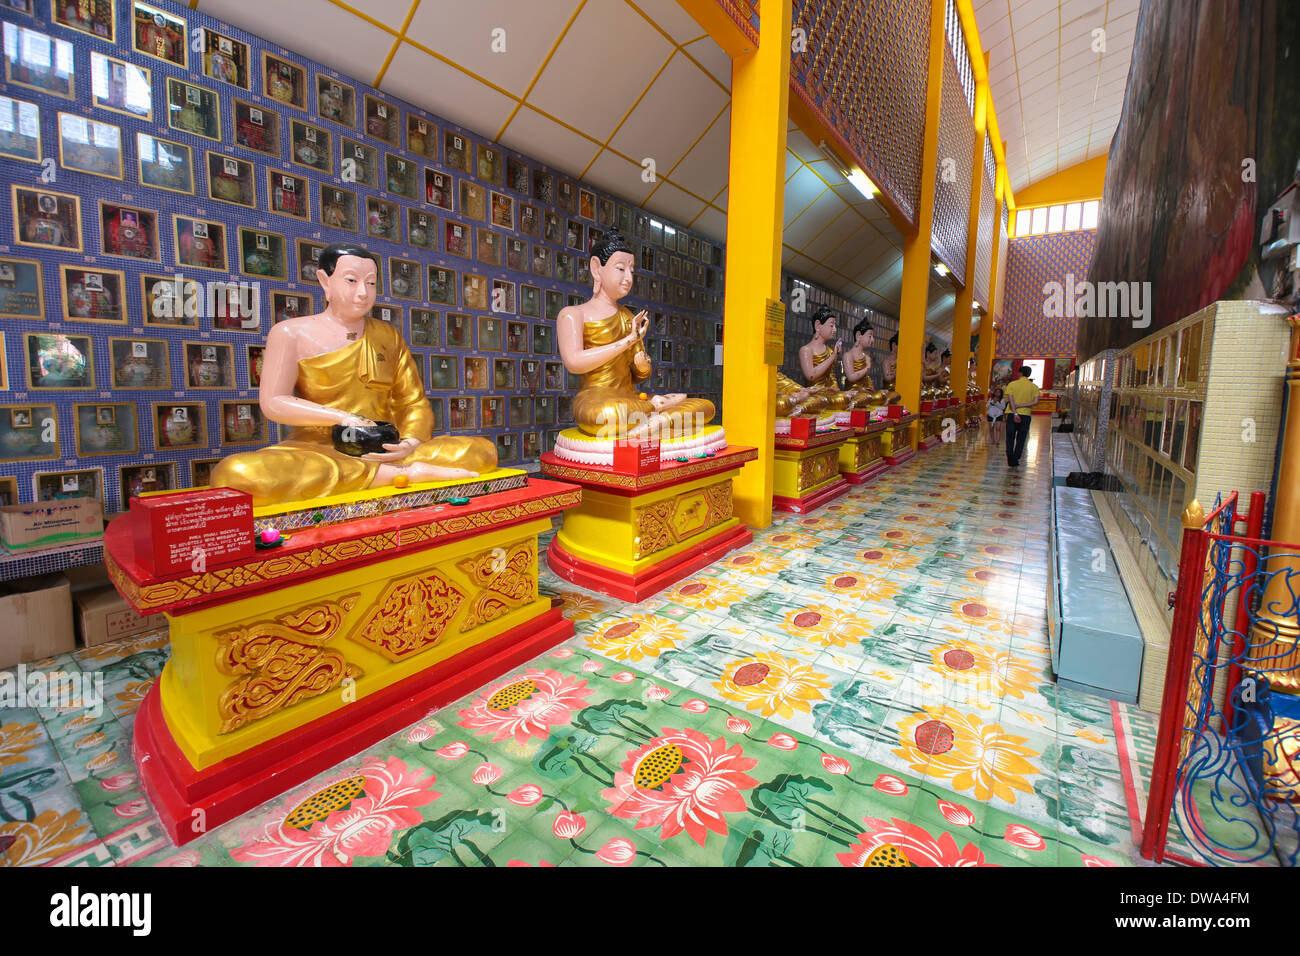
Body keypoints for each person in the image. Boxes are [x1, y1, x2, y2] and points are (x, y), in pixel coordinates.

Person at [211, 241, 495, 505]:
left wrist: (409, 443)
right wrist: (342, 417)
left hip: (384, 448)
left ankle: (392, 469)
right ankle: (402, 475)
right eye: (351, 280)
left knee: (482, 452)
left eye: (371, 283)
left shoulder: (387, 335)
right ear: (325, 281)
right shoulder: (291, 332)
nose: (363, 292)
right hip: (319, 449)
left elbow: (413, 403)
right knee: (235, 475)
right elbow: (274, 402)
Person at [557, 229, 714, 440]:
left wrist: (642, 366)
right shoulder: (573, 314)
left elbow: (639, 375)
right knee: (606, 416)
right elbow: (574, 362)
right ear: (597, 269)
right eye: (621, 269)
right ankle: (656, 410)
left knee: (705, 407)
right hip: (597, 399)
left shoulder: (628, 316)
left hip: (632, 399)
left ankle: (651, 417)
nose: (628, 278)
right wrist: (628, 341)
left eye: (632, 270)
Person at [1003, 365, 1041, 467]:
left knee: (1010, 436)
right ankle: (1016, 457)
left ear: (1019, 373)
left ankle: (1010, 456)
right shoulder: (1034, 387)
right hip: (1026, 415)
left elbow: (1010, 401)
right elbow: (1035, 402)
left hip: (1012, 414)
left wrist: (1015, 412)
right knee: (1021, 437)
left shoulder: (1012, 384)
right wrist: (1022, 405)